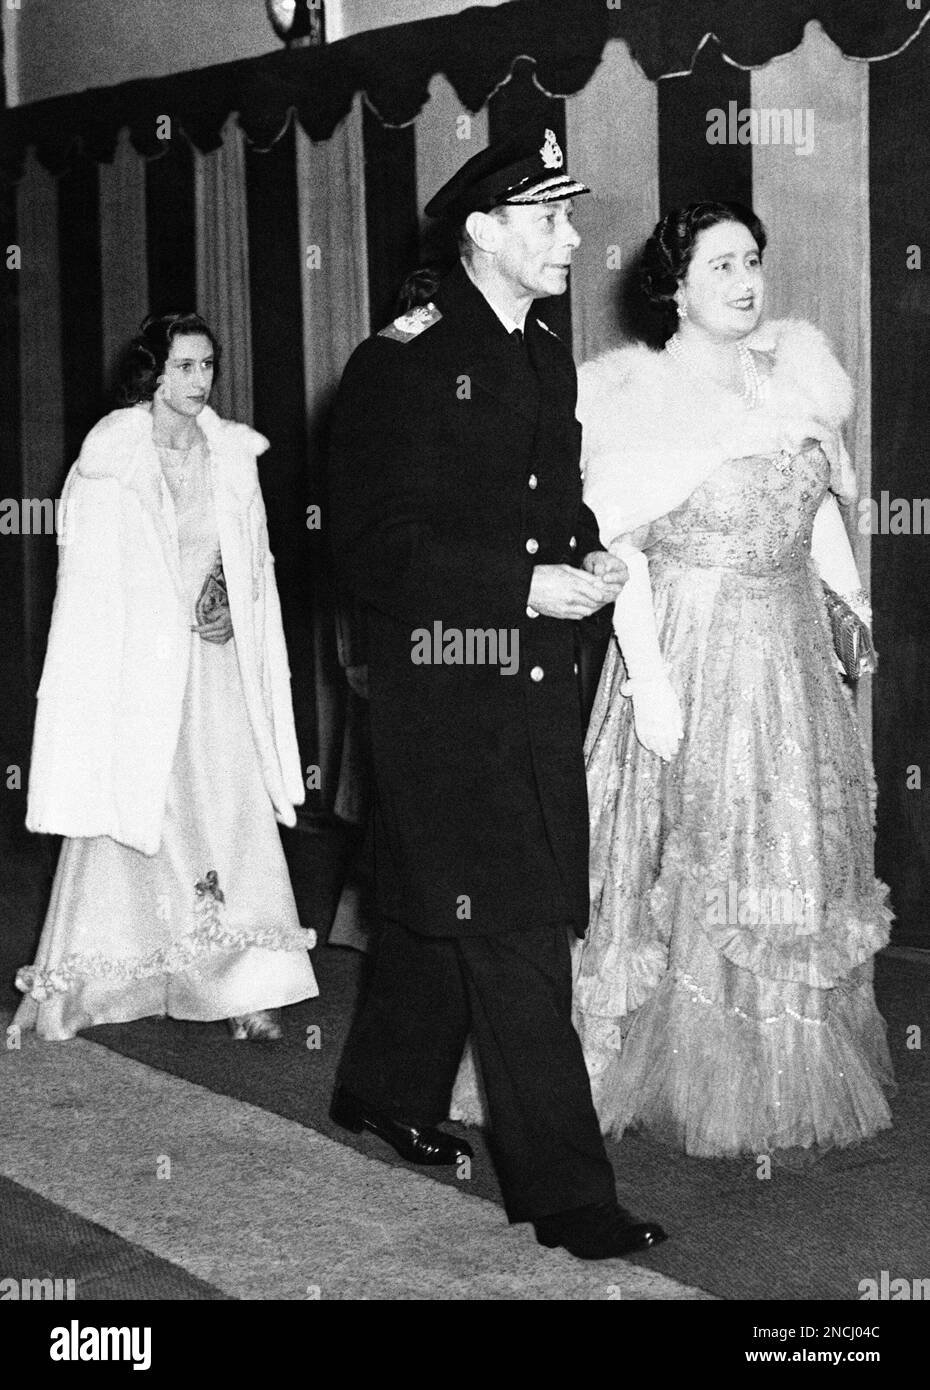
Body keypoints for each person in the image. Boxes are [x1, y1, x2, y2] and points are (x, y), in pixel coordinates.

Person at [327, 126, 667, 1259]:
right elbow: (374, 549)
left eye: (570, 216)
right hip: (440, 691)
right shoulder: (403, 363)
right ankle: (573, 1198)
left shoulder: (537, 350)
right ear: (480, 229)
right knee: (518, 925)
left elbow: (539, 499)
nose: (573, 238)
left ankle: (382, 1086)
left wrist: (590, 554)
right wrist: (529, 584)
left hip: (525, 681)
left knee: (448, 905)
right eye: (548, 217)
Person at [572, 202, 894, 1157]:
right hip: (687, 643)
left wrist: (849, 606)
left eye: (752, 260)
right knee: (686, 849)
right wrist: (653, 685)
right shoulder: (632, 394)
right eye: (720, 267)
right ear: (673, 285)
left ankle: (778, 1065)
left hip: (789, 644)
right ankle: (641, 1057)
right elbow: (616, 551)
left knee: (788, 844)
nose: (746, 280)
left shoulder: (796, 376)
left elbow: (818, 512)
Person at [15, 313, 318, 1041]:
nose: (199, 381)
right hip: (139, 671)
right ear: (152, 375)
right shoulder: (109, 463)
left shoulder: (230, 456)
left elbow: (251, 567)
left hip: (213, 665)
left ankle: (246, 985)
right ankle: (114, 972)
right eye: (183, 367)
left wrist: (224, 604)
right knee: (139, 810)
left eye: (207, 365)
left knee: (227, 806)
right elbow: (89, 584)